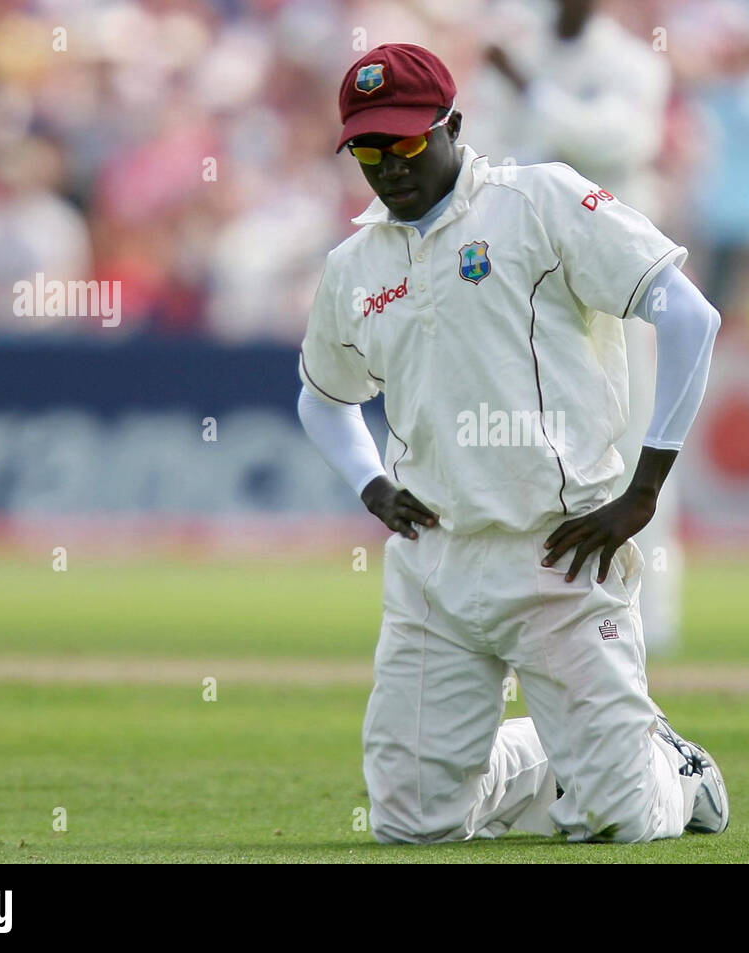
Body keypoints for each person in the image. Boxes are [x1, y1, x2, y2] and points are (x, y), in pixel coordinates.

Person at [297, 42, 724, 843]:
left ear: (453, 124)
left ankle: (666, 764)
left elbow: (689, 316)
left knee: (624, 821)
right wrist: (370, 484)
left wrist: (644, 489)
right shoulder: (353, 266)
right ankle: (572, 754)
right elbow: (322, 400)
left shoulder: (540, 200)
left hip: (560, 547)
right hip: (435, 564)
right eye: (369, 148)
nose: (389, 165)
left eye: (408, 141)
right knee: (411, 827)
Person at [466, 0, 687, 652]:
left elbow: (622, 141)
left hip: (620, 281)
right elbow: (489, 158)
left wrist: (533, 93)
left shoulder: (629, 63)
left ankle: (651, 615)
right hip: (529, 280)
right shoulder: (515, 51)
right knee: (530, 453)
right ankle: (542, 613)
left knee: (635, 444)